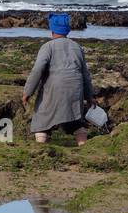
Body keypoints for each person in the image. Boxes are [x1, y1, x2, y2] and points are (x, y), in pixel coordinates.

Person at [22, 13, 95, 145]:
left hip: (54, 89)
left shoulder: (47, 47)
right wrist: (90, 97)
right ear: (67, 30)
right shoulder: (77, 47)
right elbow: (85, 74)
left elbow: (37, 70)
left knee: (42, 120)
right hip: (75, 89)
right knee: (76, 121)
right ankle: (84, 147)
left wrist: (28, 92)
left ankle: (41, 146)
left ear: (52, 30)